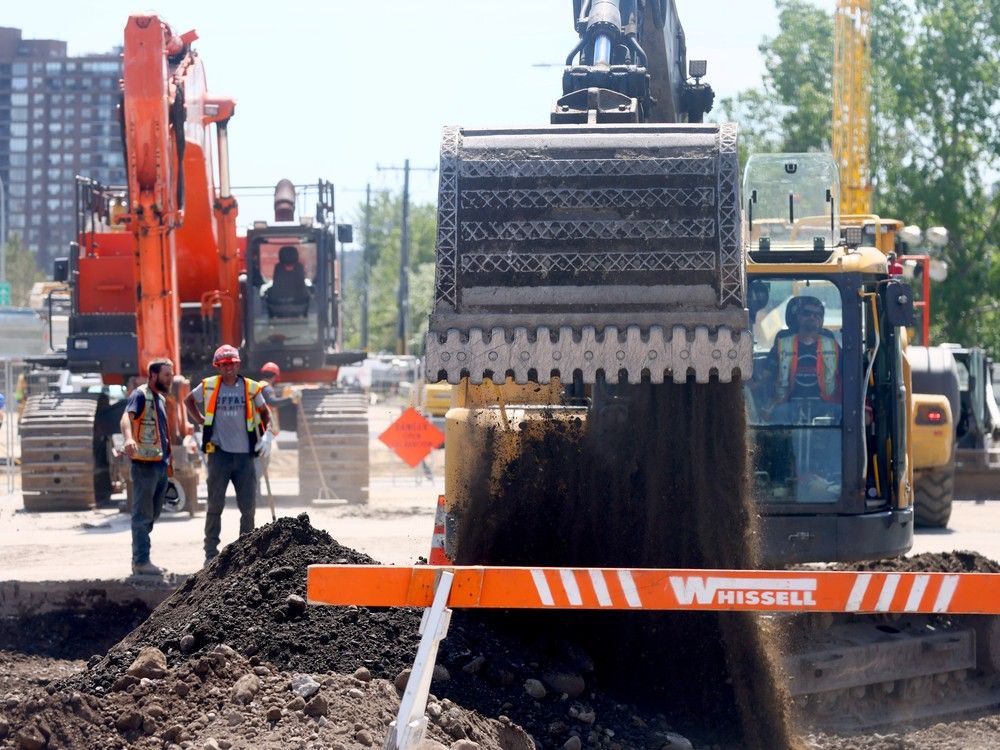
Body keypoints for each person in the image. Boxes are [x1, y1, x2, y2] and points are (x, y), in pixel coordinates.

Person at [185, 345, 273, 563]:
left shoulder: (251, 388)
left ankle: (246, 552)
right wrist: (201, 421)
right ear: (218, 367)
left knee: (248, 506)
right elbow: (188, 400)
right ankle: (210, 553)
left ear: (238, 364)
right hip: (219, 455)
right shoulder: (209, 386)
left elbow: (264, 412)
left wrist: (267, 434)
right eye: (223, 365)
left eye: (232, 364)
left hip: (245, 455)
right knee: (215, 504)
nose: (228, 368)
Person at [120, 358, 174, 576]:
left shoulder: (159, 398)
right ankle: (141, 561)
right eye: (166, 375)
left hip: (159, 465)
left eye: (170, 375)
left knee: (152, 513)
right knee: (142, 515)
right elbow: (126, 417)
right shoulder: (140, 395)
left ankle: (141, 557)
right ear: (153, 376)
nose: (170, 379)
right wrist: (127, 438)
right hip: (144, 465)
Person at [769, 295, 841, 411]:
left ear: (822, 320)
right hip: (787, 404)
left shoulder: (833, 345)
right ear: (798, 316)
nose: (812, 317)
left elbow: (848, 377)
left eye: (817, 314)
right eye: (807, 313)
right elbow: (765, 378)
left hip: (826, 405)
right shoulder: (781, 344)